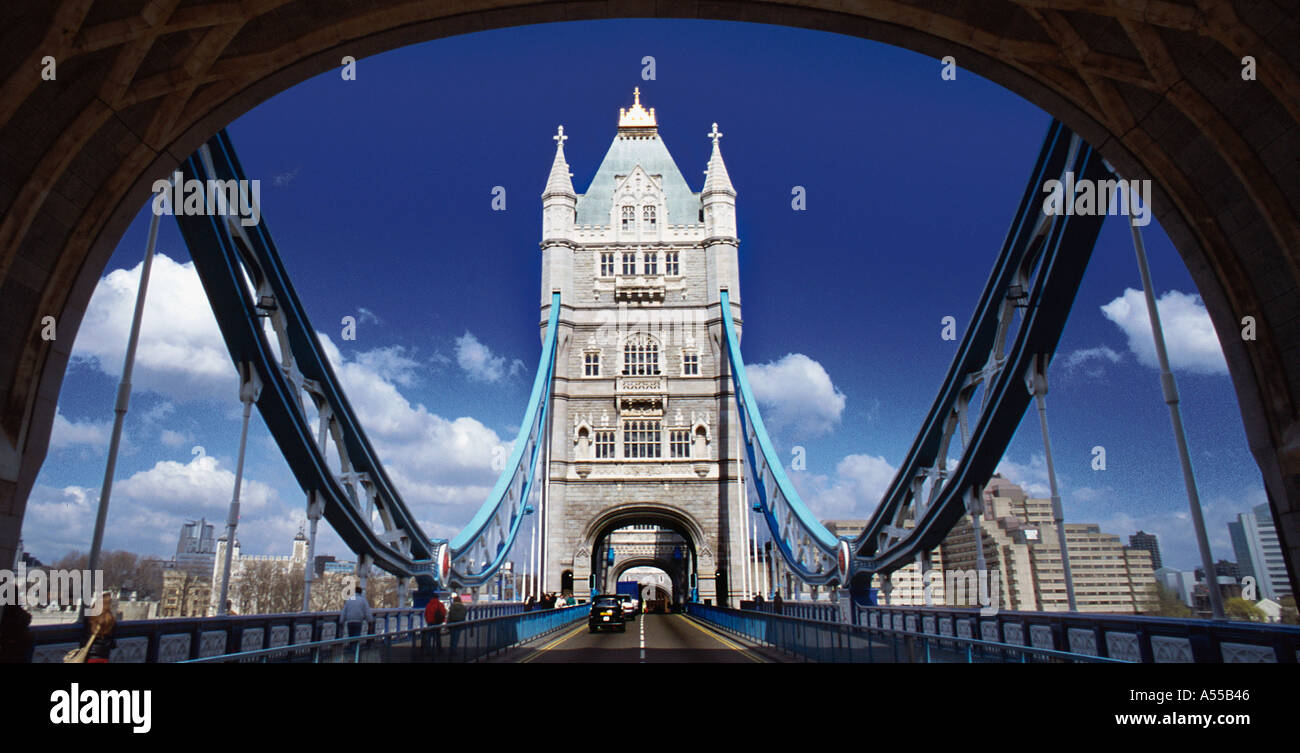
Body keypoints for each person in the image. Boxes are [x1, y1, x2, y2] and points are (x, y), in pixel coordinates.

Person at [84, 593, 117, 664]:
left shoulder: (91, 618)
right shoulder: (111, 620)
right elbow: (112, 643)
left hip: (90, 656)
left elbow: (84, 638)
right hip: (104, 657)